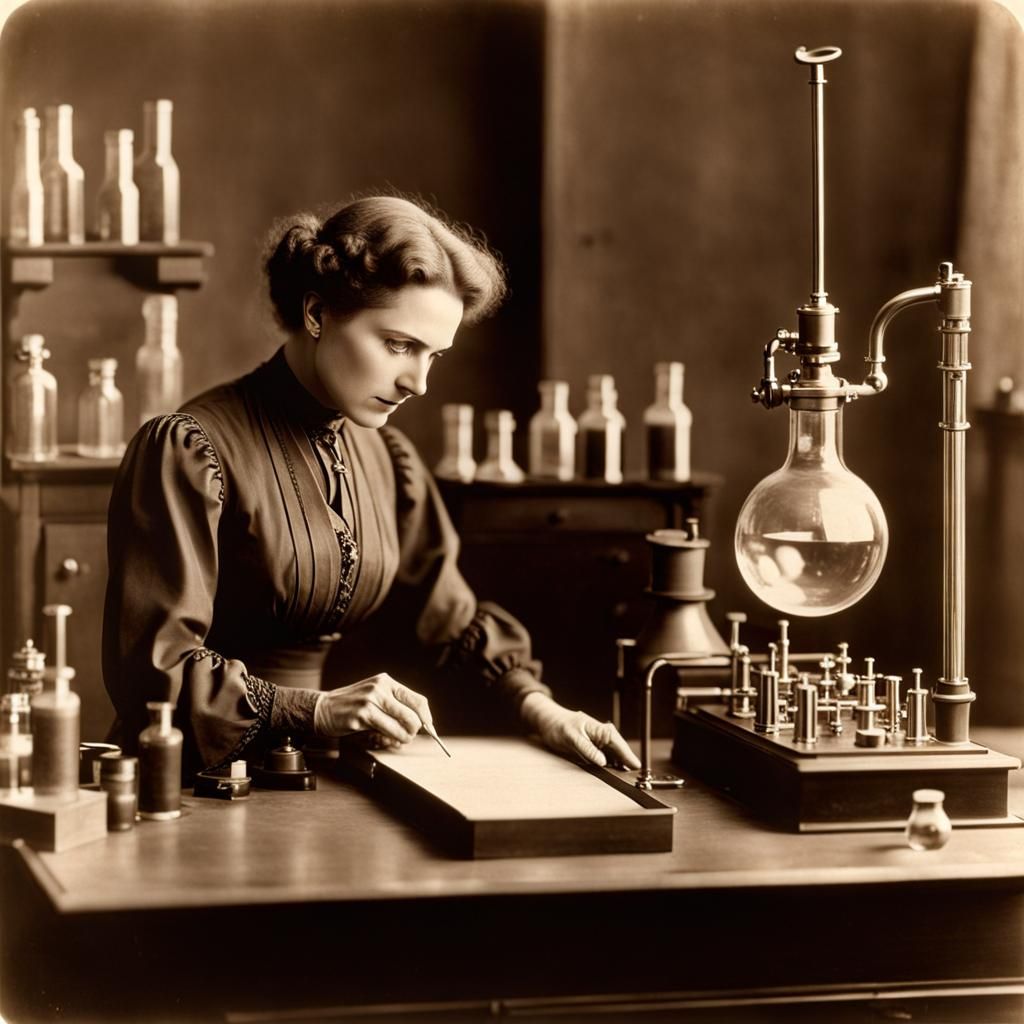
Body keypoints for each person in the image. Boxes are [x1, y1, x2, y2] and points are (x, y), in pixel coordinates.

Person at [103, 194, 640, 779]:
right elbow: (154, 671)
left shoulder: (387, 457)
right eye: (398, 345)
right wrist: (315, 710)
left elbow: (451, 623)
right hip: (185, 781)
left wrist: (540, 708)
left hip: (314, 781)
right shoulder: (189, 449)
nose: (418, 382)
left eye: (433, 355)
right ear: (316, 313)